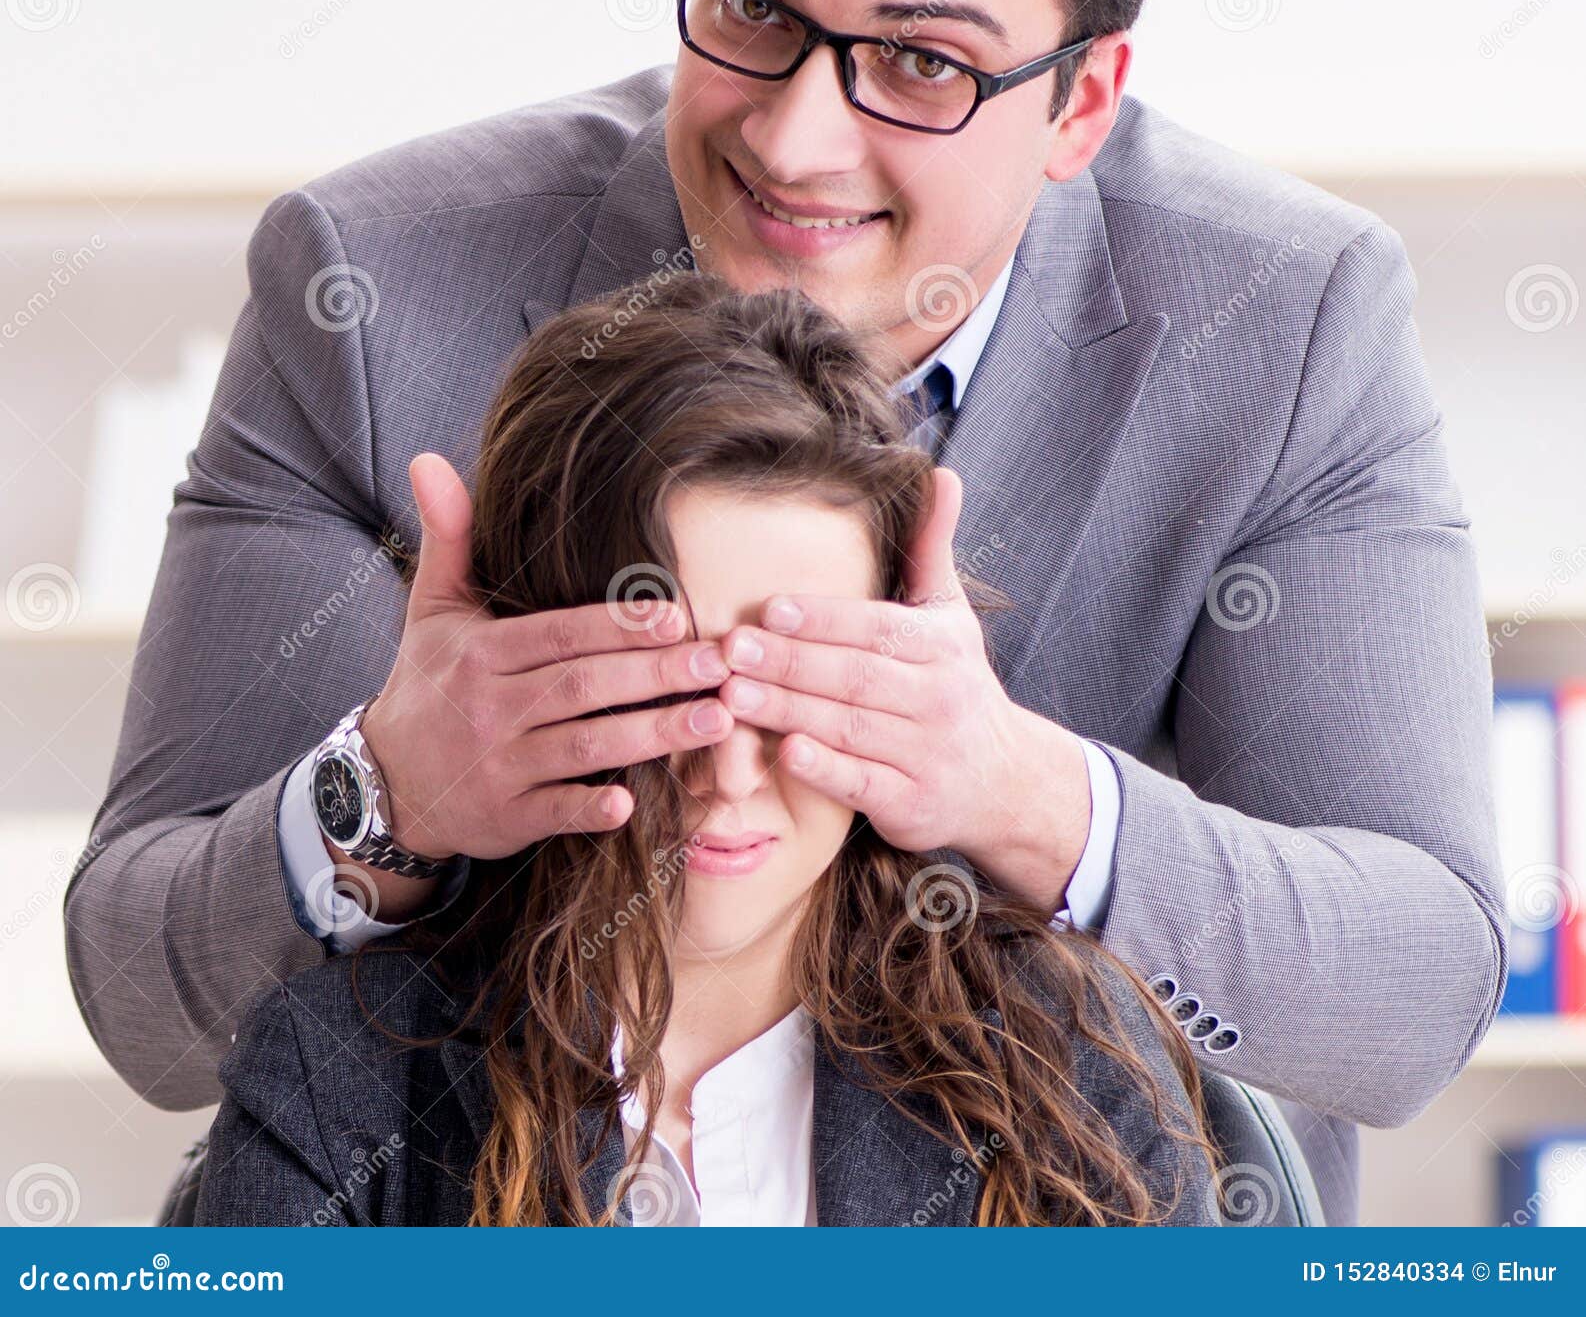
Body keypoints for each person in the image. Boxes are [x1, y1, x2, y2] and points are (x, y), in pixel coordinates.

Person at [67, 0, 1504, 1228]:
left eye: (920, 61)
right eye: (752, 5)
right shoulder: (374, 290)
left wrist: (1016, 793)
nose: (793, 133)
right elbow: (144, 1002)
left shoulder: (1282, 329)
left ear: (1083, 104)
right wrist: (380, 796)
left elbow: (1413, 992)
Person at [194, 270, 1222, 1227]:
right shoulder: (338, 1078)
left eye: (794, 681)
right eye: (665, 686)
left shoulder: (1065, 1061)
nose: (726, 773)